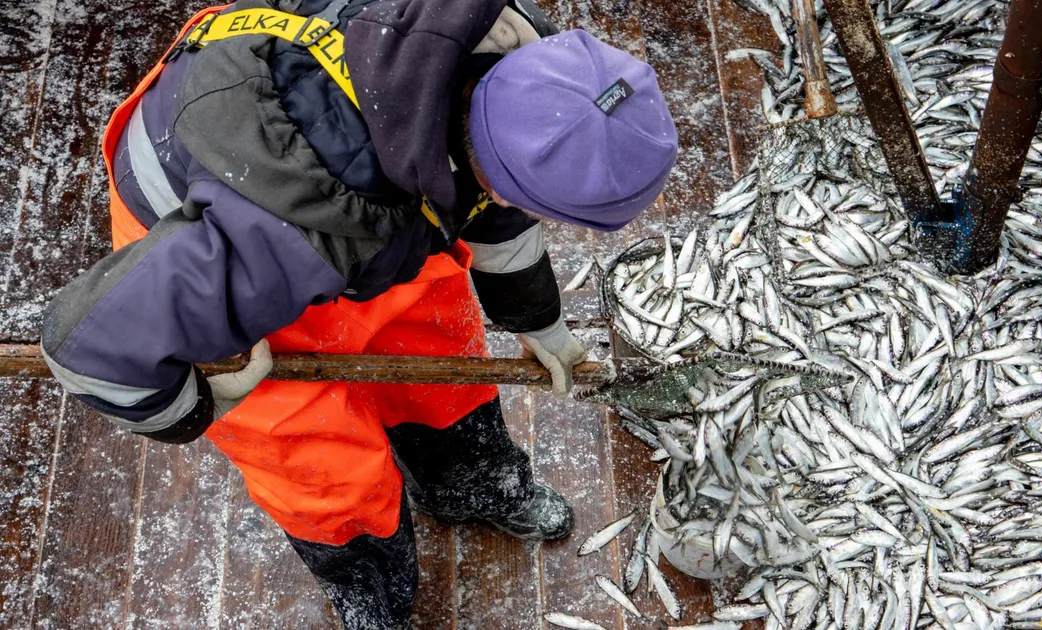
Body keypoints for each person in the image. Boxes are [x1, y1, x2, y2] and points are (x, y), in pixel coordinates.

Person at [38, 0, 678, 626]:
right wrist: (205, 400)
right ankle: (367, 575)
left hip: (373, 201)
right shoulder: (271, 236)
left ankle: (469, 480)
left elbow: (497, 209)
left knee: (440, 349)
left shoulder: (521, 56)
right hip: (216, 228)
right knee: (315, 460)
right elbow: (90, 348)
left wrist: (538, 320)